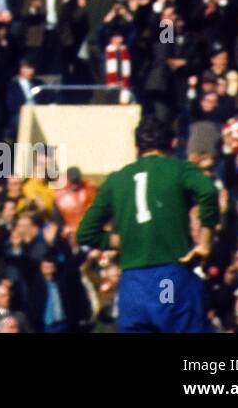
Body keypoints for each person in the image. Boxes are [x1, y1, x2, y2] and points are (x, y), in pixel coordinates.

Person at [76, 116, 219, 332]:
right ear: (172, 143)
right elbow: (208, 191)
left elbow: (85, 233)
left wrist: (122, 240)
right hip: (168, 279)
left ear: (137, 147)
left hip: (133, 287)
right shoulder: (179, 169)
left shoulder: (117, 179)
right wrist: (205, 241)